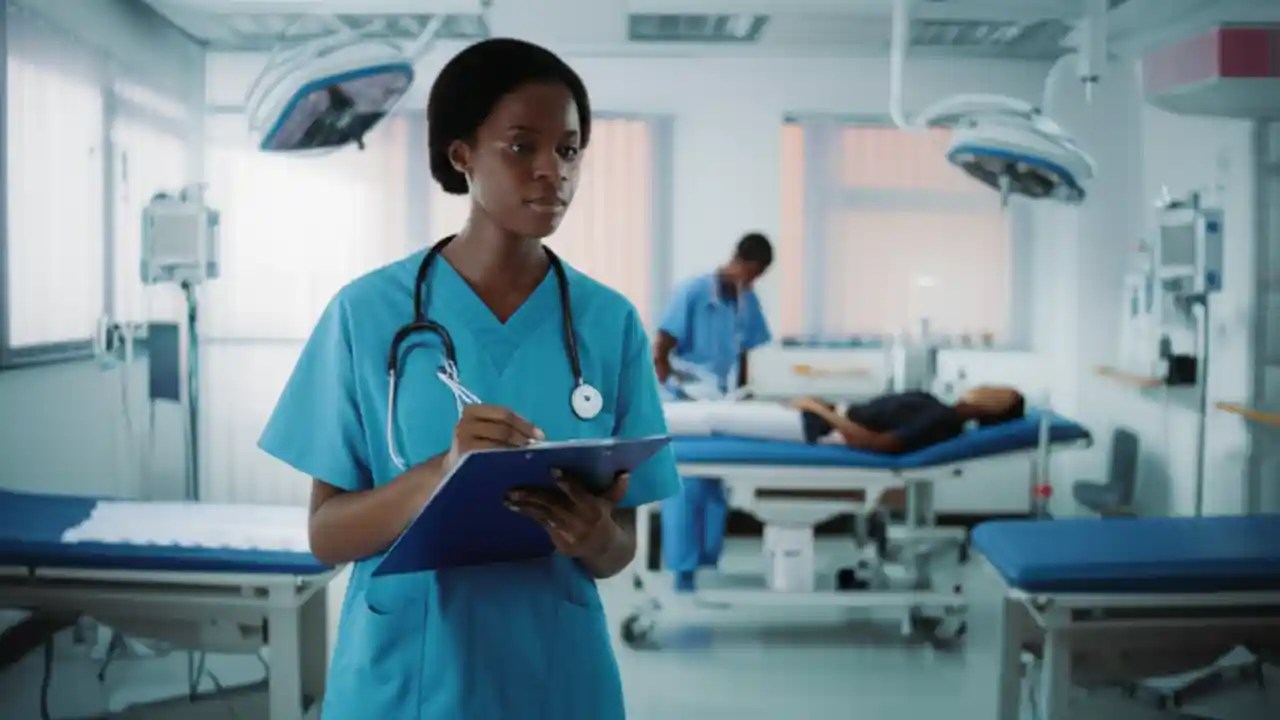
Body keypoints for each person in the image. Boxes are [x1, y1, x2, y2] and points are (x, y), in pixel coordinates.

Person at [257, 38, 680, 720]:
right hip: (410, 673)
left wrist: (593, 536)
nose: (553, 171)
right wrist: (442, 471)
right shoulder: (367, 315)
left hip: (556, 671)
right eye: (522, 146)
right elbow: (327, 536)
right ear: (462, 156)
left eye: (569, 150)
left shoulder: (610, 324)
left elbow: (617, 550)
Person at [651, 234, 773, 592]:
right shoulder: (693, 292)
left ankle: (707, 557)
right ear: (742, 262)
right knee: (687, 483)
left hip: (720, 398)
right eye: (751, 273)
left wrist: (747, 394)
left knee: (715, 480)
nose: (751, 282)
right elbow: (661, 347)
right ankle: (683, 568)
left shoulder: (747, 301)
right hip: (683, 397)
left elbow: (751, 351)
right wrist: (671, 392)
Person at [663, 386, 1027, 453]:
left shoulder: (943, 420)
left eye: (997, 392)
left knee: (714, 416)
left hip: (818, 430)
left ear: (992, 409)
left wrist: (822, 411)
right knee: (717, 413)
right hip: (821, 419)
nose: (984, 386)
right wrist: (822, 405)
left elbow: (874, 444)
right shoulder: (942, 409)